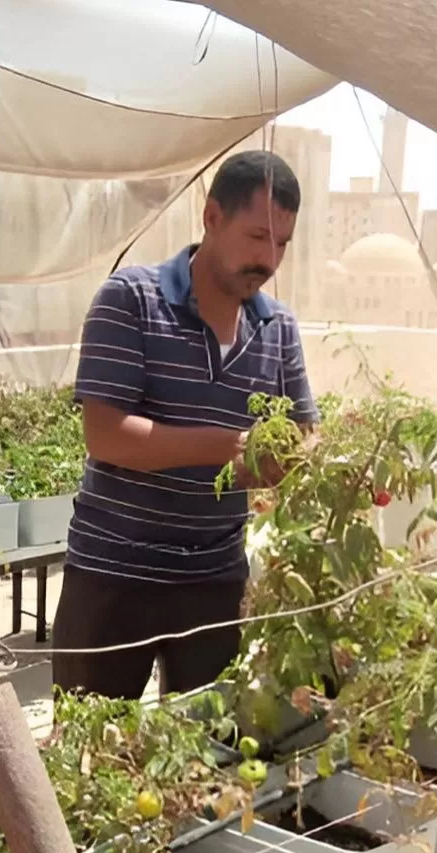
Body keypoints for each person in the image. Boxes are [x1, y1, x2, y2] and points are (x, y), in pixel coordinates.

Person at [52, 150, 317, 701]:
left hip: (215, 580)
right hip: (115, 573)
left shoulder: (278, 328)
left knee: (205, 750)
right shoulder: (131, 301)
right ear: (212, 217)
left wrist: (299, 460)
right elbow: (108, 436)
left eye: (283, 244)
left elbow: (303, 435)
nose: (269, 260)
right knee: (90, 754)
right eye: (257, 237)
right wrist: (233, 448)